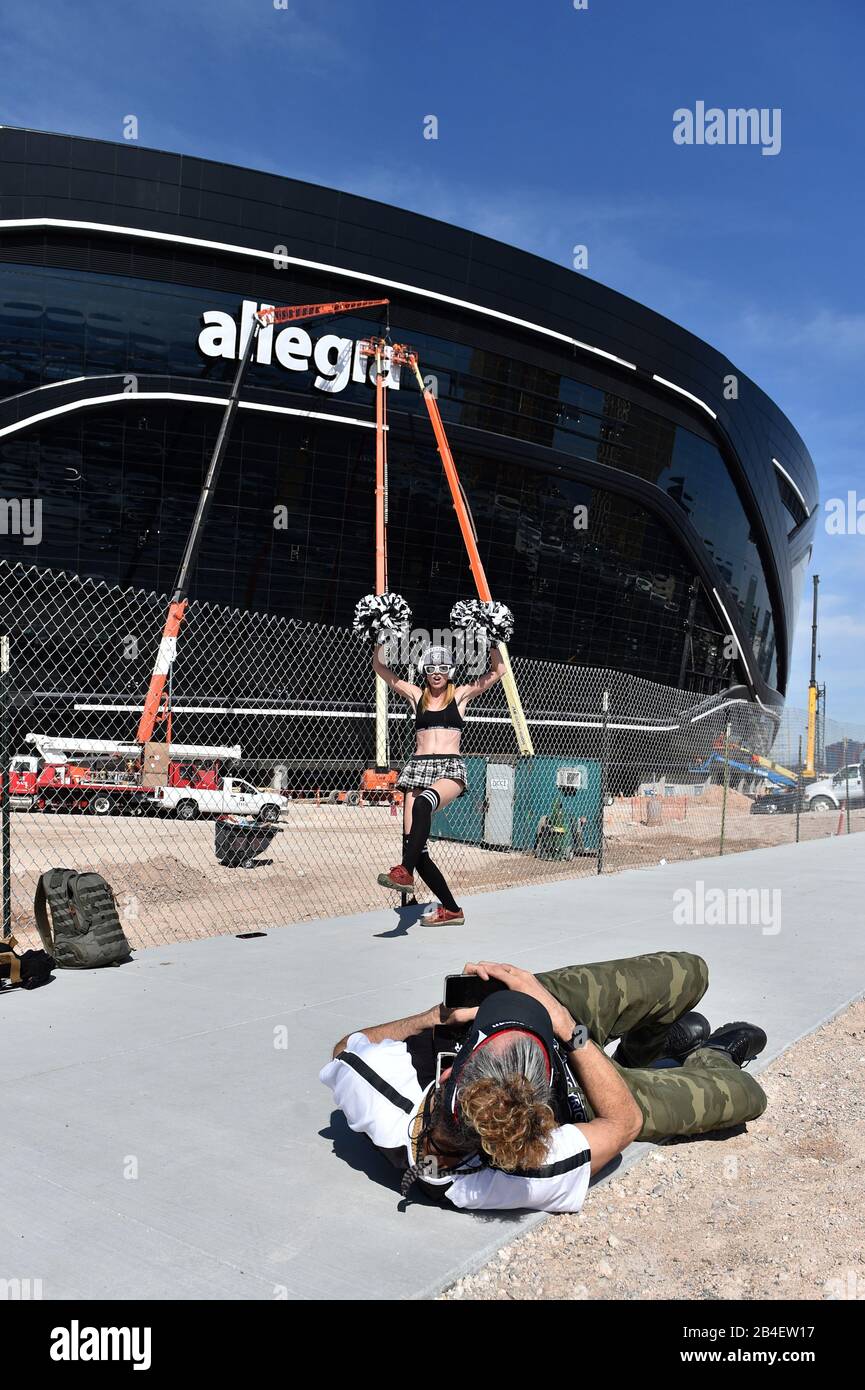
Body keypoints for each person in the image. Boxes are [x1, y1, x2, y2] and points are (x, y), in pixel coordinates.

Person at [320, 950, 768, 1212]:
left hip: (529, 1013)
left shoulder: (381, 1093)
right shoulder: (523, 1169)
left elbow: (345, 1048)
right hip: (578, 1060)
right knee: (746, 1097)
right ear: (541, 1110)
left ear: (451, 1068)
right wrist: (567, 1030)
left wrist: (437, 1017)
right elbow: (623, 1124)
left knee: (690, 971)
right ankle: (711, 1055)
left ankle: (641, 1054)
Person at [372, 640, 504, 925]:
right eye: (432, 667)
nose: (437, 672)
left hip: (449, 767)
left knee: (422, 805)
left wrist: (493, 641)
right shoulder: (416, 695)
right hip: (417, 768)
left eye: (443, 667)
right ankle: (452, 910)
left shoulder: (460, 695)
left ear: (450, 671)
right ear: (425, 670)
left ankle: (403, 871)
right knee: (416, 851)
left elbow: (499, 670)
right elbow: (379, 667)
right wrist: (381, 639)